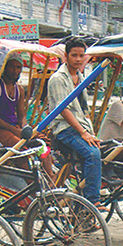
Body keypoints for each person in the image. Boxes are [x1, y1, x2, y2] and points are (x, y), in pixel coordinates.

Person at [47, 37, 103, 207]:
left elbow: (83, 110)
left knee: (103, 152)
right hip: (65, 128)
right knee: (92, 154)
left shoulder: (80, 77)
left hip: (80, 127)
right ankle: (93, 201)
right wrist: (83, 133)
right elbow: (63, 109)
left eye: (81, 56)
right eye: (74, 55)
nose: (78, 59)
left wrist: (89, 132)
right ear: (66, 56)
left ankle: (81, 206)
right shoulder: (58, 78)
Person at [0, 57, 27, 147]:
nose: (15, 71)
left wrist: (25, 128)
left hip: (13, 127)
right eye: (12, 67)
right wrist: (14, 130)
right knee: (19, 146)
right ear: (5, 67)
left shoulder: (20, 89)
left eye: (18, 67)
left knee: (41, 142)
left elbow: (21, 115)